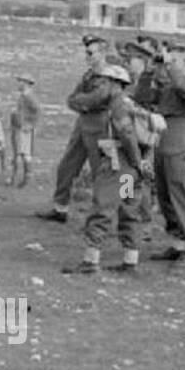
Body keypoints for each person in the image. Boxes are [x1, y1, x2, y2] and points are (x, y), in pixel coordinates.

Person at [63, 64, 148, 276]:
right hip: (129, 172)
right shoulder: (127, 103)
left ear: (114, 84)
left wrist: (135, 161)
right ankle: (130, 261)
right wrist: (138, 164)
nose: (101, 86)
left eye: (104, 82)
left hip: (118, 166)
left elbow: (127, 134)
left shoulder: (118, 105)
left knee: (103, 208)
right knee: (129, 209)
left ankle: (90, 261)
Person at [136, 40, 185, 264]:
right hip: (163, 136)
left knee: (179, 190)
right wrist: (149, 70)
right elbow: (143, 97)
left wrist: (171, 67)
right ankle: (177, 243)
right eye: (169, 59)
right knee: (164, 192)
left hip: (179, 134)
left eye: (175, 60)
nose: (169, 63)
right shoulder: (167, 84)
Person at [35, 35, 112, 222]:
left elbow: (99, 98)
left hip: (99, 125)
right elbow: (72, 99)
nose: (87, 56)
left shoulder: (109, 75)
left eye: (91, 52)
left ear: (102, 54)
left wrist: (83, 102)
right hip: (83, 123)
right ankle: (60, 208)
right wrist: (84, 102)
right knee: (67, 166)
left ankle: (103, 214)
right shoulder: (89, 75)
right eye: (87, 52)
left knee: (100, 171)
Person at [9, 74, 40, 187]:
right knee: (21, 153)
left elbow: (36, 110)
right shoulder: (24, 96)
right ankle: (21, 179)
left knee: (21, 153)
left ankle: (20, 179)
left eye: (21, 81)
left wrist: (31, 124)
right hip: (21, 126)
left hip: (24, 128)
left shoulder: (28, 96)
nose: (19, 84)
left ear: (26, 83)